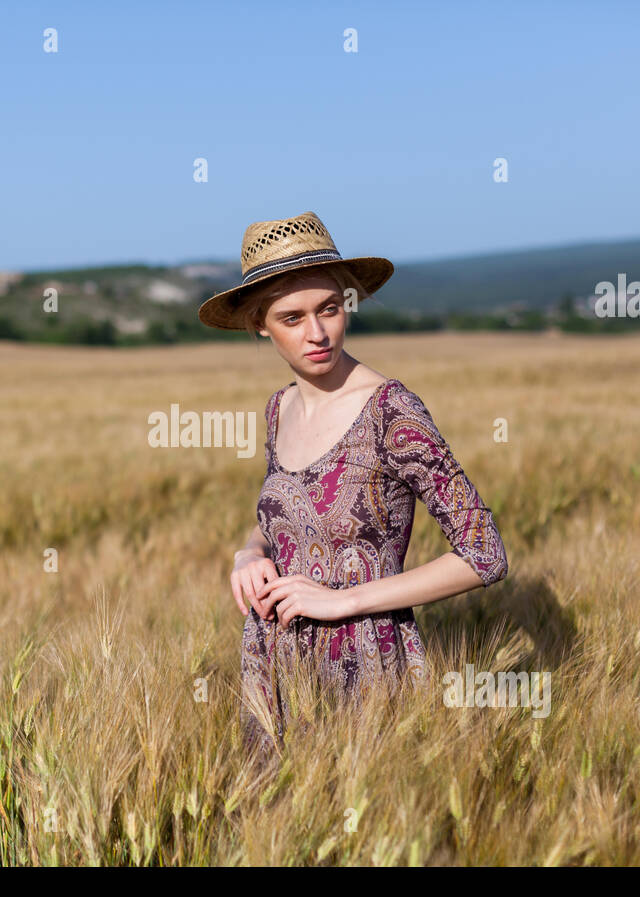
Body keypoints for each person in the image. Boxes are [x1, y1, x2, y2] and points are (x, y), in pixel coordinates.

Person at [198, 211, 509, 756]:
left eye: (329, 310)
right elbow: (286, 518)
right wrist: (247, 553)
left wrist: (342, 603)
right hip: (273, 668)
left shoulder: (393, 411)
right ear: (259, 325)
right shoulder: (279, 409)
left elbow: (484, 554)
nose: (316, 333)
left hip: (366, 671)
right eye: (291, 318)